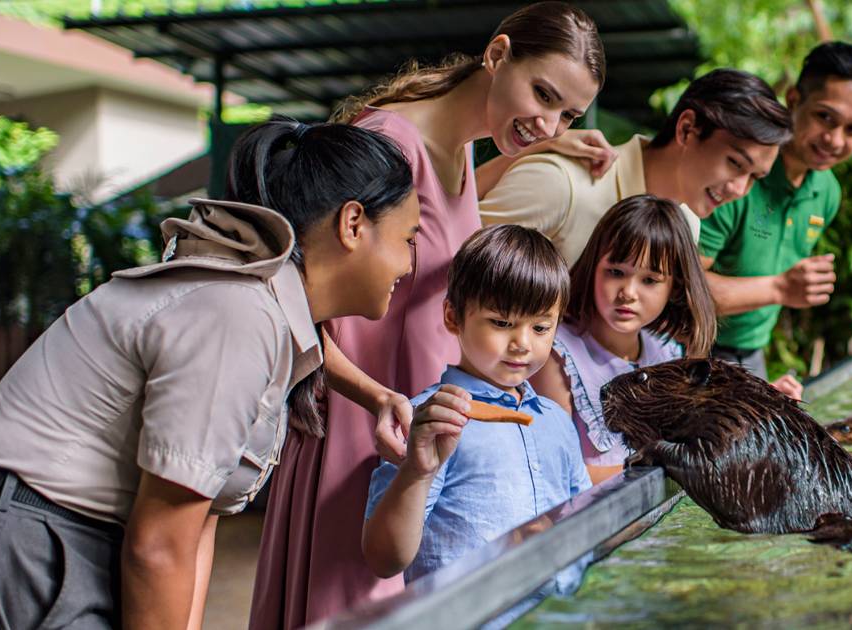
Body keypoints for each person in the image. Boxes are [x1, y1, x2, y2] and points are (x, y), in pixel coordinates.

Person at [0, 118, 419, 629]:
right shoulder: (238, 316)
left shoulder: (263, 312)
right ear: (353, 224)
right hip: (23, 539)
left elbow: (194, 524)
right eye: (407, 238)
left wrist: (376, 396)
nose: (409, 263)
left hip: (41, 532)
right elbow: (158, 546)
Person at [251, 3, 606, 625]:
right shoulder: (388, 139)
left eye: (567, 113)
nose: (548, 122)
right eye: (542, 94)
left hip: (422, 427)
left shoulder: (461, 152)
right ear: (498, 55)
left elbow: (442, 214)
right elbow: (293, 301)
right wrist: (377, 399)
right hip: (364, 430)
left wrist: (533, 151)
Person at [363, 224, 590, 626]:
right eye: (501, 323)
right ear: (453, 316)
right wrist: (417, 470)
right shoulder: (427, 420)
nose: (522, 343)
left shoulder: (557, 422)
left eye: (540, 327)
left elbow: (584, 527)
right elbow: (383, 558)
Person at [699, 42, 852, 399]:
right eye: (825, 117)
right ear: (795, 99)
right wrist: (783, 288)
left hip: (751, 355)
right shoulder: (739, 175)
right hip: (687, 349)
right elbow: (680, 291)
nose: (835, 140)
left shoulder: (827, 191)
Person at [479, 68, 792, 266]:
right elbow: (449, 277)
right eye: (735, 163)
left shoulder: (686, 226)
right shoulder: (559, 183)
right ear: (686, 129)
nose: (739, 189)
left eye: (755, 178)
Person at [530, 195, 716, 483]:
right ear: (593, 267)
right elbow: (556, 476)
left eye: (650, 280)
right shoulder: (559, 356)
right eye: (616, 272)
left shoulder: (665, 354)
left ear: (675, 287)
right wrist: (664, 472)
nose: (628, 292)